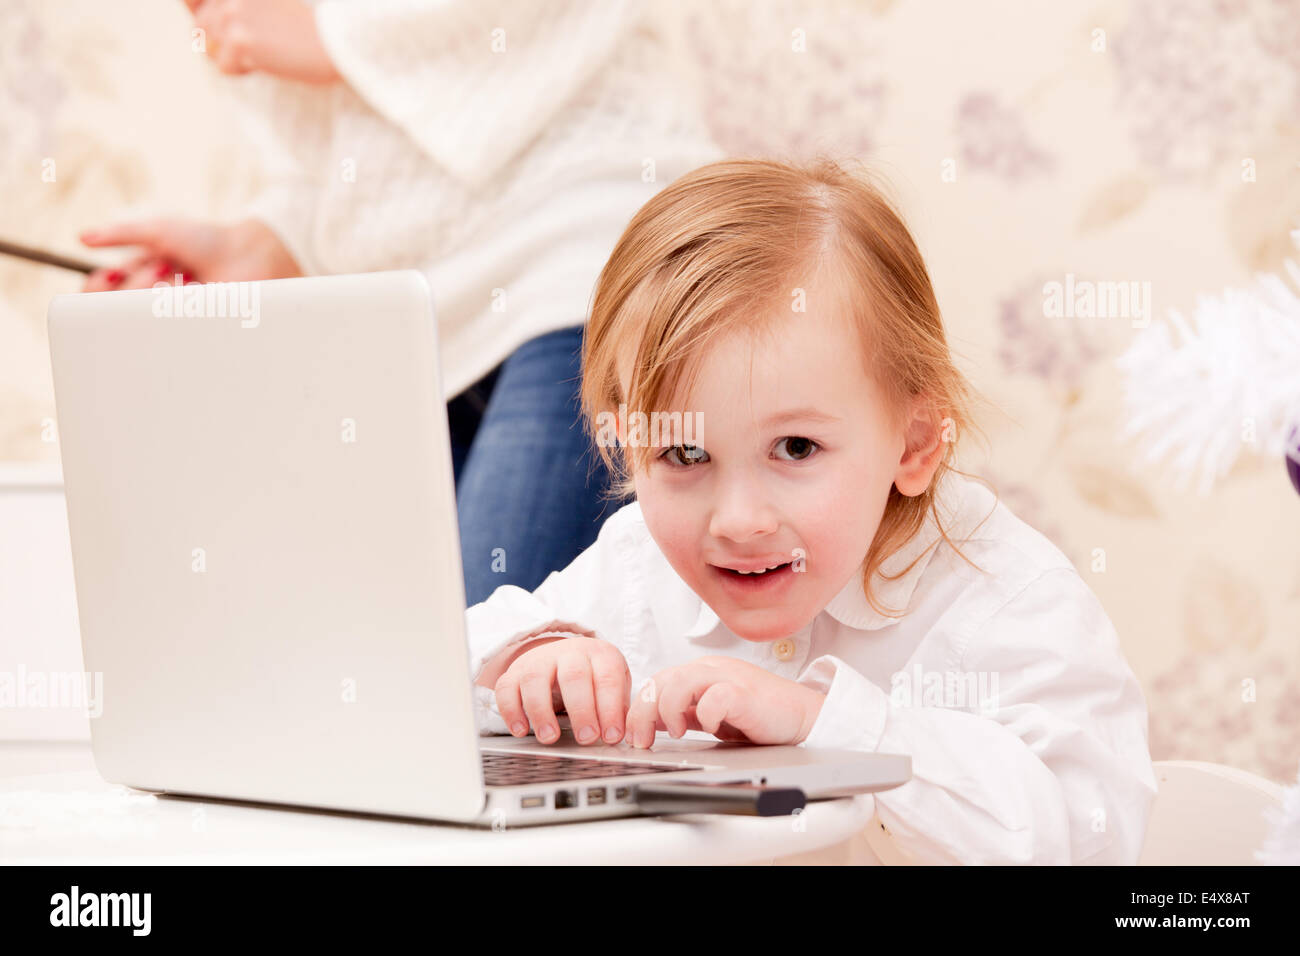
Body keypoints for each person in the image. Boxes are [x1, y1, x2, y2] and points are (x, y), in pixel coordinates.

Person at [465, 156, 1159, 865]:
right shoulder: (641, 563)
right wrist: (532, 659)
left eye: (795, 447)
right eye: (683, 456)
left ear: (915, 443)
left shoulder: (1005, 596)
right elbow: (434, 670)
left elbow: (1092, 833)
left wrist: (832, 725)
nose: (738, 520)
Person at [78, 0, 724, 604]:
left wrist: (337, 29)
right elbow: (346, 161)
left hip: (580, 273)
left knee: (484, 662)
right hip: (427, 330)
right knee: (407, 659)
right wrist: (258, 245)